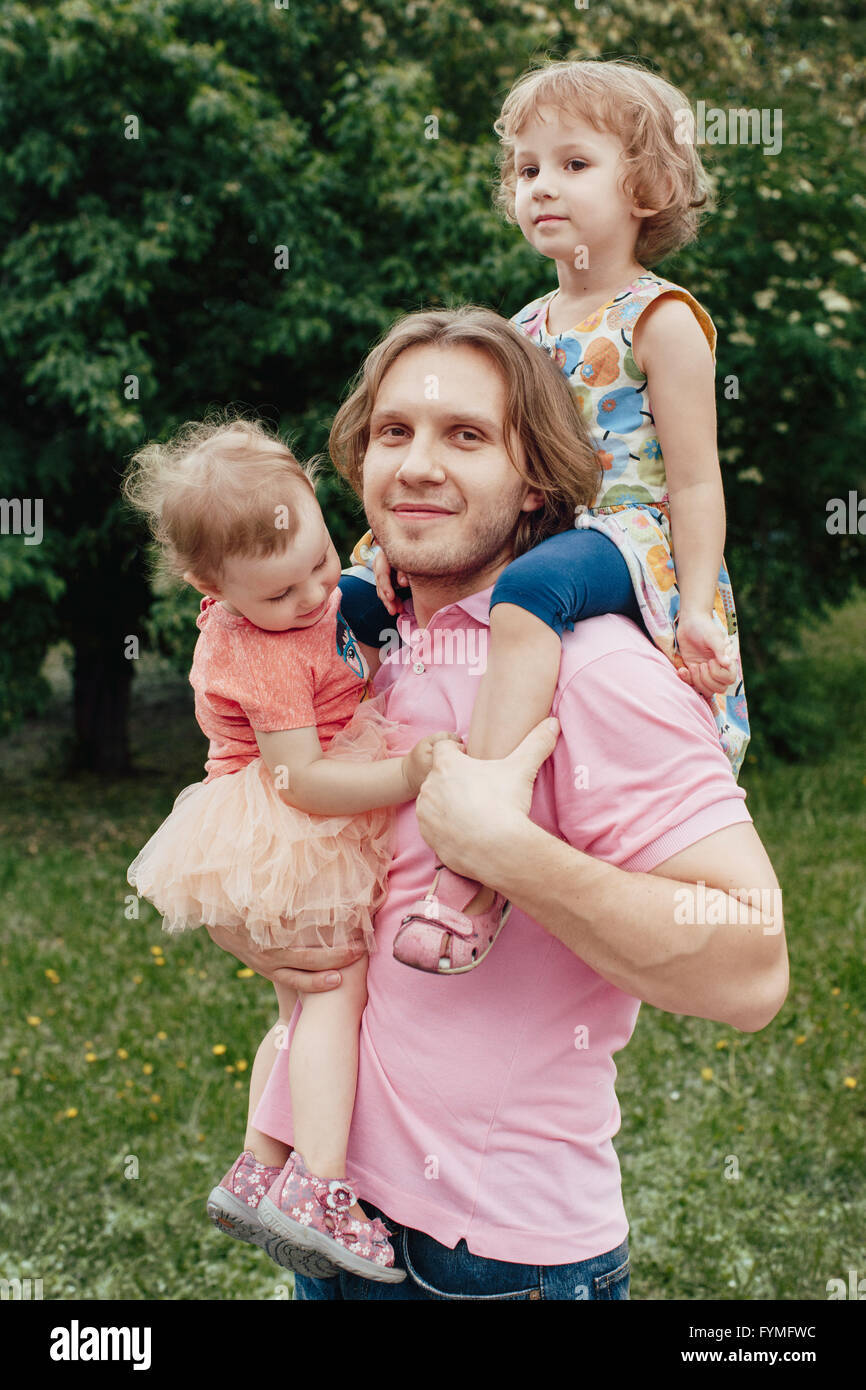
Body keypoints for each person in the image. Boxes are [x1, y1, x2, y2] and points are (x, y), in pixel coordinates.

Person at [206, 306, 788, 1301]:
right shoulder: (360, 649)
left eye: (463, 436)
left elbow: (751, 964)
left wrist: (501, 848)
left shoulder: (593, 669)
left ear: (533, 483)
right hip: (335, 1218)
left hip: (490, 1261)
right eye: (395, 432)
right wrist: (251, 922)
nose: (418, 464)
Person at [344, 58, 750, 972]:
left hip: (624, 536)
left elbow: (693, 481)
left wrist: (694, 607)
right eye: (527, 170)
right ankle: (319, 812)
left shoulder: (662, 319)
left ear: (646, 185)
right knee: (358, 596)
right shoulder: (522, 328)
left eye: (573, 164)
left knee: (525, 597)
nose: (542, 187)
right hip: (544, 527)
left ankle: (471, 873)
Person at [123, 416, 461, 1283]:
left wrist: (356, 570)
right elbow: (300, 783)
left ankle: (258, 1163)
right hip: (288, 817)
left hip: (280, 818)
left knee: (298, 1012)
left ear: (314, 500)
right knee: (334, 998)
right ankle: (321, 1189)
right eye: (284, 592)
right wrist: (409, 775)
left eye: (319, 564)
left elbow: (334, 584)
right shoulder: (260, 648)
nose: (314, 597)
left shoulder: (284, 586)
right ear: (212, 585)